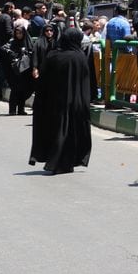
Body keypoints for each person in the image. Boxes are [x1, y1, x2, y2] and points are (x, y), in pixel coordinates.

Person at [28, 28, 93, 174]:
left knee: (56, 131)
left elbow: (43, 81)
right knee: (71, 133)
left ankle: (55, 161)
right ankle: (65, 162)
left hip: (53, 103)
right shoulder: (80, 57)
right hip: (76, 104)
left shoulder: (52, 55)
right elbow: (87, 83)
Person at [2, 25, 34, 115]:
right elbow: (4, 48)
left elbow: (32, 51)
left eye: (20, 33)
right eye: (17, 33)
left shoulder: (28, 41)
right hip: (15, 71)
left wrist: (26, 53)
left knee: (24, 90)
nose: (18, 35)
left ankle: (21, 109)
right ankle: (12, 109)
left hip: (25, 70)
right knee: (15, 90)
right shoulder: (12, 42)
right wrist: (12, 53)